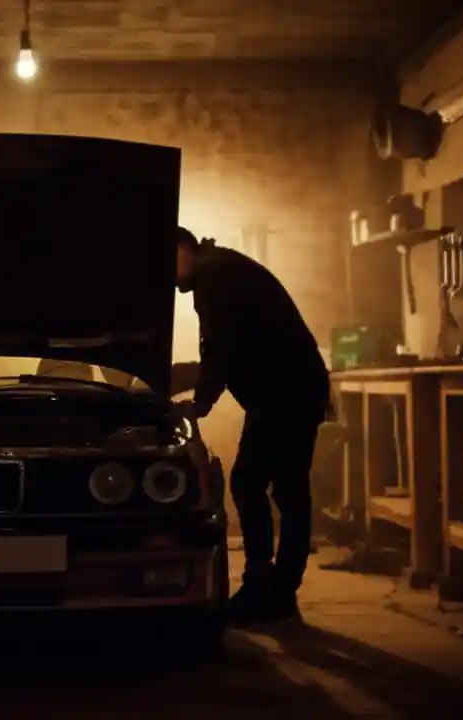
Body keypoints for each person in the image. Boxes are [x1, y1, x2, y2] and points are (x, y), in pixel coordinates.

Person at [174, 226, 330, 623]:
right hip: (291, 386)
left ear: (182, 250)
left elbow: (221, 348)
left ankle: (265, 587)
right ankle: (278, 590)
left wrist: (201, 402)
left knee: (253, 483)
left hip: (285, 390)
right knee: (287, 488)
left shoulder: (215, 277)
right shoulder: (219, 268)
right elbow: (223, 349)